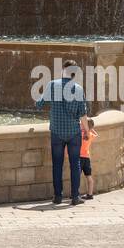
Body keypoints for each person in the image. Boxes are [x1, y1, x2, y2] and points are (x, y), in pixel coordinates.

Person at [35, 60, 87, 205]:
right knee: (75, 163)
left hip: (57, 132)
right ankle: (75, 197)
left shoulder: (52, 85)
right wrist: (87, 131)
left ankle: (58, 196)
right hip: (74, 132)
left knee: (57, 164)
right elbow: (82, 113)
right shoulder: (78, 89)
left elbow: (39, 104)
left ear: (64, 69)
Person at [79, 115, 97, 200]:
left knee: (76, 176)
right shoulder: (90, 135)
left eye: (82, 124)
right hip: (86, 158)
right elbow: (96, 134)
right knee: (89, 176)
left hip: (79, 157)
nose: (80, 124)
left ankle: (76, 193)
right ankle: (90, 194)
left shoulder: (80, 133)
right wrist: (90, 128)